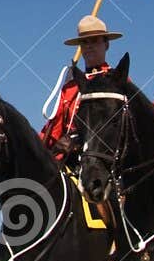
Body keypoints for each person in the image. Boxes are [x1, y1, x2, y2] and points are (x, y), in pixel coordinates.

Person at [40, 15, 121, 162]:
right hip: (67, 162)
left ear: (106, 44)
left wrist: (78, 141)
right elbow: (53, 130)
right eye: (84, 42)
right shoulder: (70, 88)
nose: (89, 46)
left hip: (103, 161)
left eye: (95, 40)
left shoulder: (117, 80)